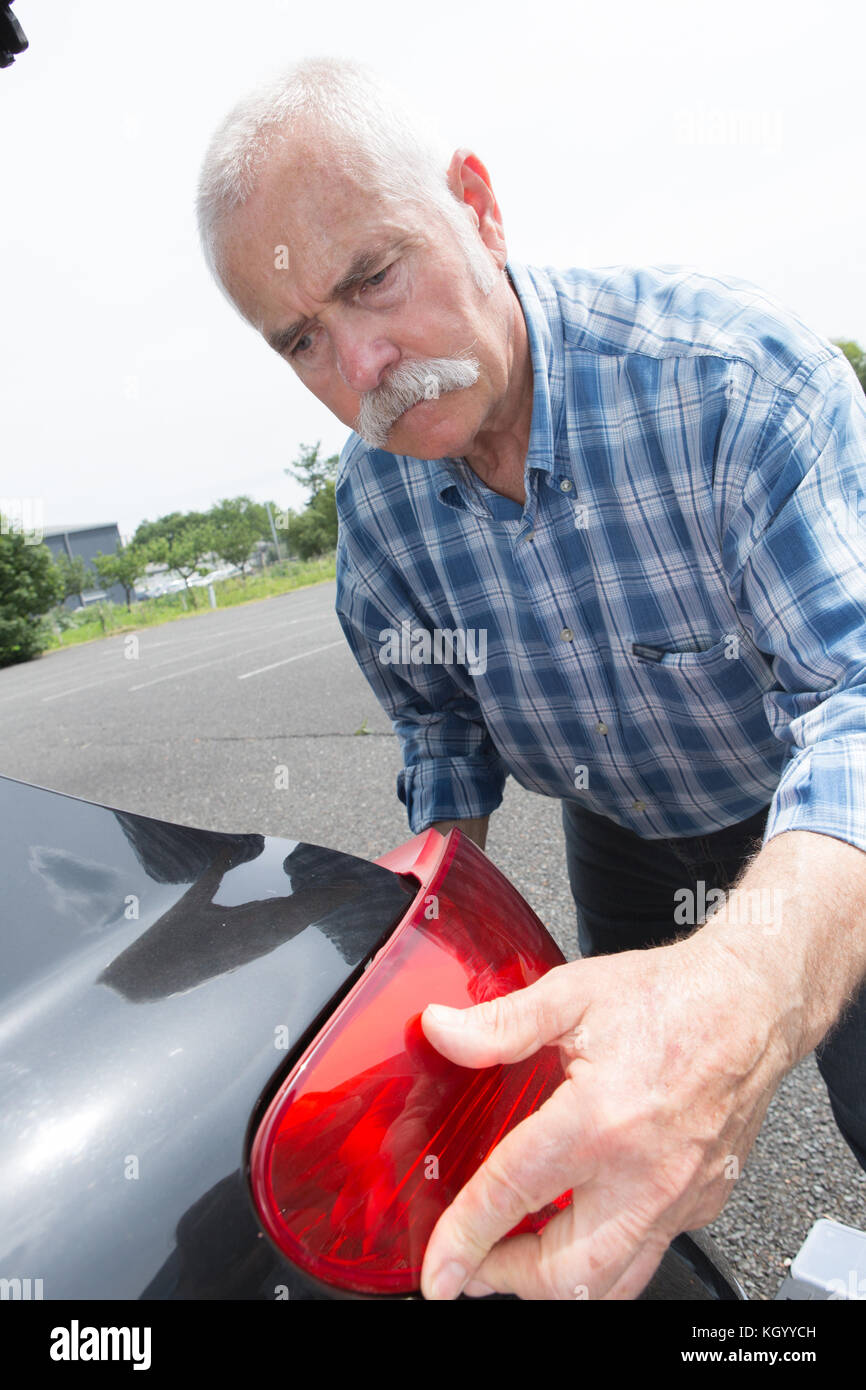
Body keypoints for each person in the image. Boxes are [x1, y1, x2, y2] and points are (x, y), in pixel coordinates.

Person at [196, 56, 866, 1300]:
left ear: (477, 204)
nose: (364, 367)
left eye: (372, 277)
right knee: (610, 1109)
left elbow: (856, 697)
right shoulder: (377, 511)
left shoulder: (729, 382)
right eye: (302, 339)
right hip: (618, 829)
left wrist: (743, 990)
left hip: (811, 808)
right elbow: (439, 726)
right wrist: (417, 935)